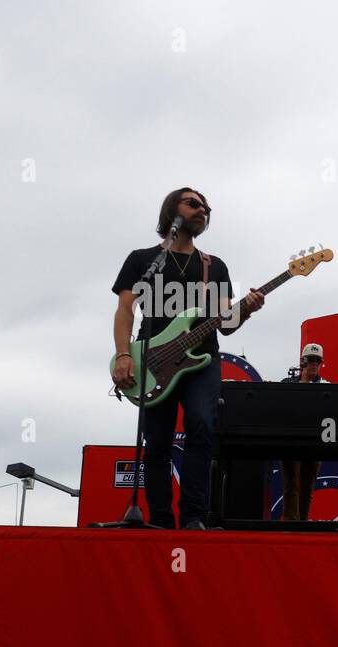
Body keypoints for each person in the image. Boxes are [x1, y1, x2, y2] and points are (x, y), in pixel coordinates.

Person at [110, 188, 264, 530]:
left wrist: (247, 310)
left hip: (201, 360)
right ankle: (162, 520)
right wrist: (123, 355)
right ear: (172, 211)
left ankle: (194, 516)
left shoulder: (214, 266)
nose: (202, 210)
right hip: (152, 358)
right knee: (158, 442)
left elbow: (226, 325)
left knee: (200, 426)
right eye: (193, 204)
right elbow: (125, 311)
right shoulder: (142, 259)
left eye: (206, 208)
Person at [280, 343, 328, 521]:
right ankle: (291, 523)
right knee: (291, 483)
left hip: (314, 440)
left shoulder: (326, 386)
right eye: (310, 360)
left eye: (318, 361)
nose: (314, 364)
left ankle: (303, 523)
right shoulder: (286, 383)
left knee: (308, 484)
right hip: (290, 439)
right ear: (302, 362)